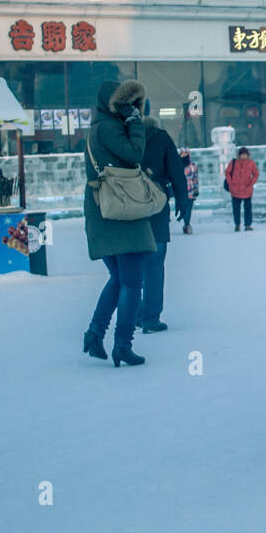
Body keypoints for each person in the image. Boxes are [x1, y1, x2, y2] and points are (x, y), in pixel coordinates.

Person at [82, 80, 155, 367]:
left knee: (119, 278)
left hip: (106, 211)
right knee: (132, 282)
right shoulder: (110, 128)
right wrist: (136, 125)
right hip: (122, 211)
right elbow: (134, 154)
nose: (132, 109)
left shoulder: (97, 128)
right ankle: (123, 344)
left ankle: (94, 333)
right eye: (127, 104)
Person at [137, 112, 190, 333]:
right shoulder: (160, 137)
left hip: (127, 209)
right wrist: (182, 200)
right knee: (155, 264)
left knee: (131, 264)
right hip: (156, 205)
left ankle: (133, 313)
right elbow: (177, 171)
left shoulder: (122, 136)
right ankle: (150, 316)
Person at [225, 146, 259, 231]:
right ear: (239, 155)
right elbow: (227, 173)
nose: (243, 156)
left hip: (247, 189)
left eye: (245, 154)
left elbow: (256, 174)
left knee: (248, 208)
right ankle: (237, 224)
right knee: (236, 209)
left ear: (248, 155)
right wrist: (230, 183)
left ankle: (247, 224)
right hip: (235, 189)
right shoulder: (233, 162)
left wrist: (252, 183)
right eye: (242, 154)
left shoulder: (251, 163)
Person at [179, 148, 199, 233]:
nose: (184, 155)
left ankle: (187, 224)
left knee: (189, 209)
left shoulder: (193, 166)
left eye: (185, 154)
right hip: (180, 191)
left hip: (190, 190)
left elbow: (195, 178)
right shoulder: (177, 165)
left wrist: (196, 189)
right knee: (183, 209)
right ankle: (186, 224)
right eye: (182, 154)